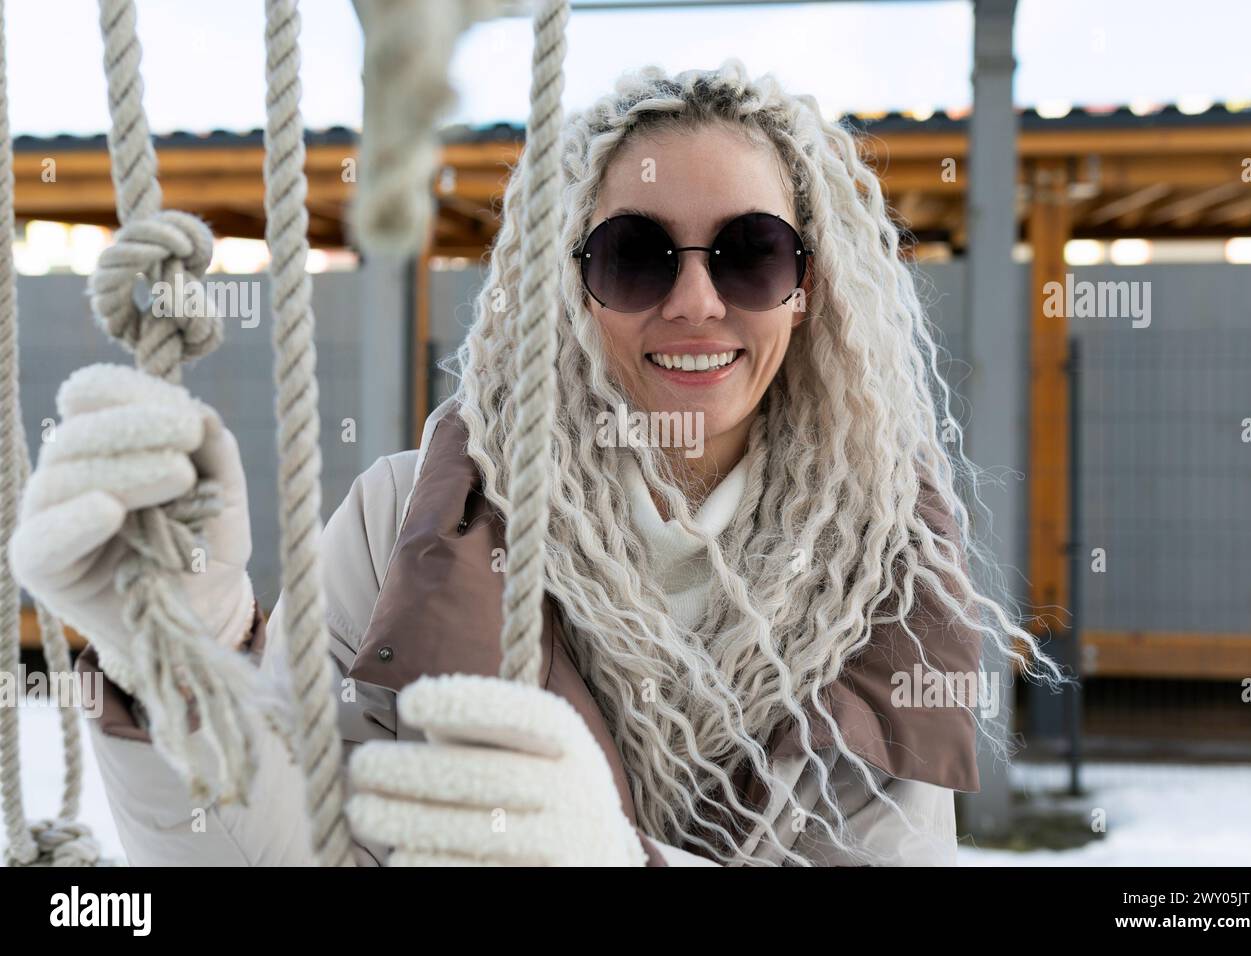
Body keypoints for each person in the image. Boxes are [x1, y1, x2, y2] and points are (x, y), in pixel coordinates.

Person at [9, 60, 1063, 867]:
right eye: (634, 256)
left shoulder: (880, 568)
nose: (695, 303)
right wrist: (186, 648)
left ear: (808, 287)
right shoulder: (407, 521)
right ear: (571, 285)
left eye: (750, 252)